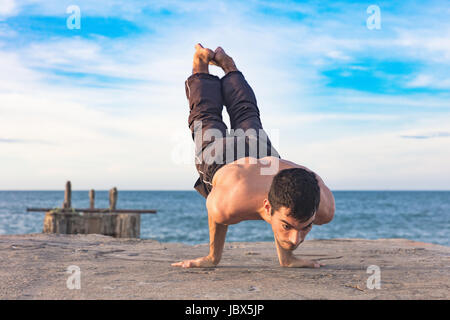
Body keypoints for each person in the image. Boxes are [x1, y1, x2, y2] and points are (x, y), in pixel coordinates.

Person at [172, 44, 335, 268]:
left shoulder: (323, 205)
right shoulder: (227, 203)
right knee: (206, 114)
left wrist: (287, 257)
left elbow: (286, 211)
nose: (296, 239)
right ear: (266, 208)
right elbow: (216, 215)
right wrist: (212, 258)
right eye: (287, 227)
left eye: (306, 226)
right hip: (221, 157)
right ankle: (201, 60)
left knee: (247, 111)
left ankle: (228, 65)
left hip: (261, 154)